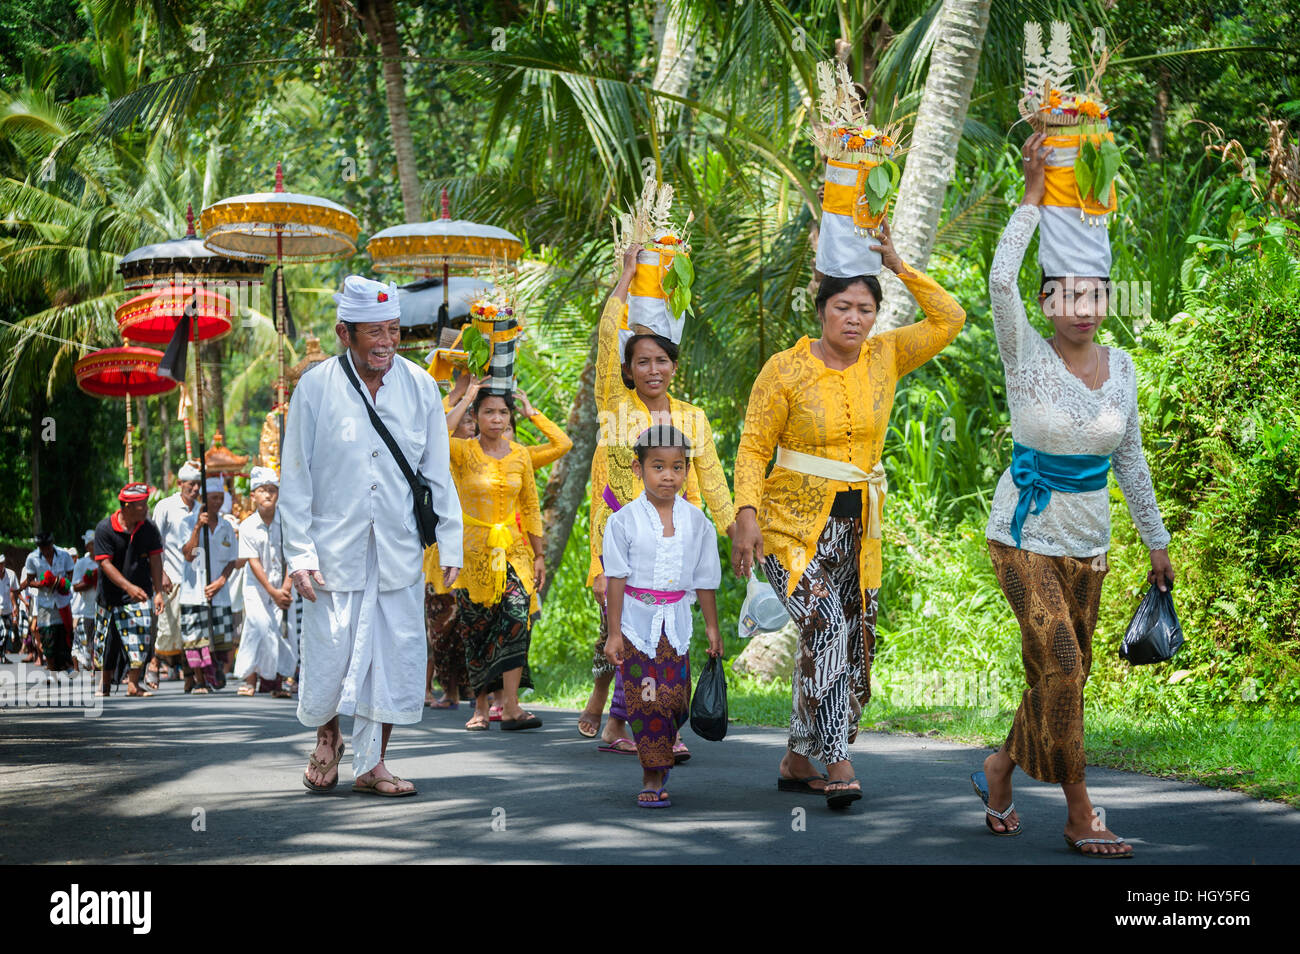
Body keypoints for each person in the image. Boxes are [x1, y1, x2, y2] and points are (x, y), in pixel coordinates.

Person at [971, 133, 1175, 858]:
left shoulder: (1122, 368)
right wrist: (1031, 196)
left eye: (1096, 295)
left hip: (1092, 543)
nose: (1084, 307)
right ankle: (1081, 809)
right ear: (1047, 298)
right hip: (1023, 535)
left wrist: (1157, 541)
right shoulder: (1023, 351)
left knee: (1062, 676)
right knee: (1063, 664)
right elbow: (998, 282)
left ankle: (999, 769)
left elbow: (1131, 459)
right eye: (1069, 294)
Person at [731, 217, 966, 809]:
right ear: (822, 308)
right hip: (788, 530)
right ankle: (837, 761)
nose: (855, 318)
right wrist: (746, 515)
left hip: (857, 529)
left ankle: (794, 758)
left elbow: (950, 320)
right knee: (826, 626)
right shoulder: (784, 370)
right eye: (844, 306)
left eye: (865, 307)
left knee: (849, 645)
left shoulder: (884, 357)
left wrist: (900, 264)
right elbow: (754, 447)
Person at [281, 274, 463, 797]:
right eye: (373, 332)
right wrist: (298, 552)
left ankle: (374, 763)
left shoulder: (421, 386)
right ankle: (328, 737)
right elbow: (295, 476)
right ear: (344, 332)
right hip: (332, 551)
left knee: (391, 653)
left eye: (393, 330)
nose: (386, 342)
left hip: (397, 548)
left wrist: (450, 542)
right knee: (332, 652)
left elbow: (436, 473)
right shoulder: (315, 388)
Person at [582, 243, 736, 756]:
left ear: (674, 365)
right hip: (620, 536)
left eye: (662, 360)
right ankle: (639, 724)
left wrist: (735, 529)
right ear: (628, 370)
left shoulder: (693, 418)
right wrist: (625, 278)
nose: (652, 369)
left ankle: (644, 725)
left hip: (675, 541)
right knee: (625, 629)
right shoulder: (615, 404)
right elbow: (609, 338)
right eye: (642, 361)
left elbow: (712, 479)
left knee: (669, 634)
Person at [602, 426, 723, 807]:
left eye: (677, 467)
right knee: (647, 702)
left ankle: (663, 749)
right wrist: (614, 633)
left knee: (676, 701)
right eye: (658, 467)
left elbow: (705, 579)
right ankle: (652, 775)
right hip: (637, 627)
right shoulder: (623, 523)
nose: (668, 476)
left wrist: (712, 627)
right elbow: (616, 579)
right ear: (639, 469)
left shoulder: (698, 522)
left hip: (678, 625)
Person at [449, 388, 546, 732]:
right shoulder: (462, 451)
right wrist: (466, 395)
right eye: (488, 412)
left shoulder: (520, 454)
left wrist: (539, 556)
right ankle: (479, 706)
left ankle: (512, 707)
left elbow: (532, 507)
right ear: (476, 416)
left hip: (514, 552)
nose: (496, 419)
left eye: (503, 413)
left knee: (518, 618)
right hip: (472, 552)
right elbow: (435, 435)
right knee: (477, 627)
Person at [91, 483, 165, 697]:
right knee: (107, 642)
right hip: (110, 596)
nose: (146, 509)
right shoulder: (105, 528)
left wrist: (158, 591)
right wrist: (128, 587)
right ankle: (104, 685)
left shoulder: (149, 528)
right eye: (141, 505)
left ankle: (133, 684)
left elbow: (155, 560)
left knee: (139, 637)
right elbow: (105, 564)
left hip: (139, 594)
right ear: (126, 506)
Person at [234, 467, 295, 698]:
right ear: (253, 496)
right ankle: (249, 679)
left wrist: (285, 589)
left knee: (282, 631)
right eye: (263, 490)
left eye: (272, 490)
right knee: (257, 627)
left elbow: (293, 555)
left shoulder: (287, 523)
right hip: (257, 588)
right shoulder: (248, 525)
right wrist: (272, 591)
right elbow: (253, 562)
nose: (268, 495)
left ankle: (278, 683)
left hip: (285, 586)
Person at [178, 477, 240, 693]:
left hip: (220, 593)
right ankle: (200, 681)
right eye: (214, 498)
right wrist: (197, 527)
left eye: (221, 498)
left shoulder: (227, 526)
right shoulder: (187, 523)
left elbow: (232, 559)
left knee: (220, 639)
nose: (217, 502)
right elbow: (188, 554)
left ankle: (214, 673)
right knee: (196, 639)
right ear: (205, 499)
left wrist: (221, 581)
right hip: (194, 592)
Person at [152, 461, 201, 681]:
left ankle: (190, 678)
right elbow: (154, 544)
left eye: (199, 485)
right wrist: (161, 574)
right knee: (167, 631)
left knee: (192, 633)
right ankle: (153, 665)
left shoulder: (203, 509)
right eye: (191, 484)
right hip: (172, 577)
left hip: (197, 580)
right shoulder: (165, 506)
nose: (196, 489)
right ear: (180, 483)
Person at [21, 531, 75, 672]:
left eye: (47, 546)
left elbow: (70, 573)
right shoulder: (32, 558)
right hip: (45, 603)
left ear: (52, 543)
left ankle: (66, 663)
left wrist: (63, 583)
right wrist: (42, 583)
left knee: (64, 634)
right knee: (46, 635)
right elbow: (30, 580)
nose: (45, 550)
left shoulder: (64, 555)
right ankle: (51, 668)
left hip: (62, 601)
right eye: (42, 547)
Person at [69, 531, 99, 671]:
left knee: (101, 641)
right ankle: (92, 666)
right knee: (90, 642)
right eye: (92, 544)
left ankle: (99, 668)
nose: (95, 547)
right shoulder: (81, 563)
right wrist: (90, 580)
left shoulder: (105, 561)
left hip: (104, 609)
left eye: (96, 543)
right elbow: (75, 587)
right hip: (88, 610)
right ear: (87, 547)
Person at [0, 555, 19, 658]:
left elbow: (14, 591)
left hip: (7, 609)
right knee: (0, 632)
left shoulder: (11, 574)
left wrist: (15, 606)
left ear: (4, 564)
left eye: (1, 564)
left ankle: (2, 655)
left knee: (6, 633)